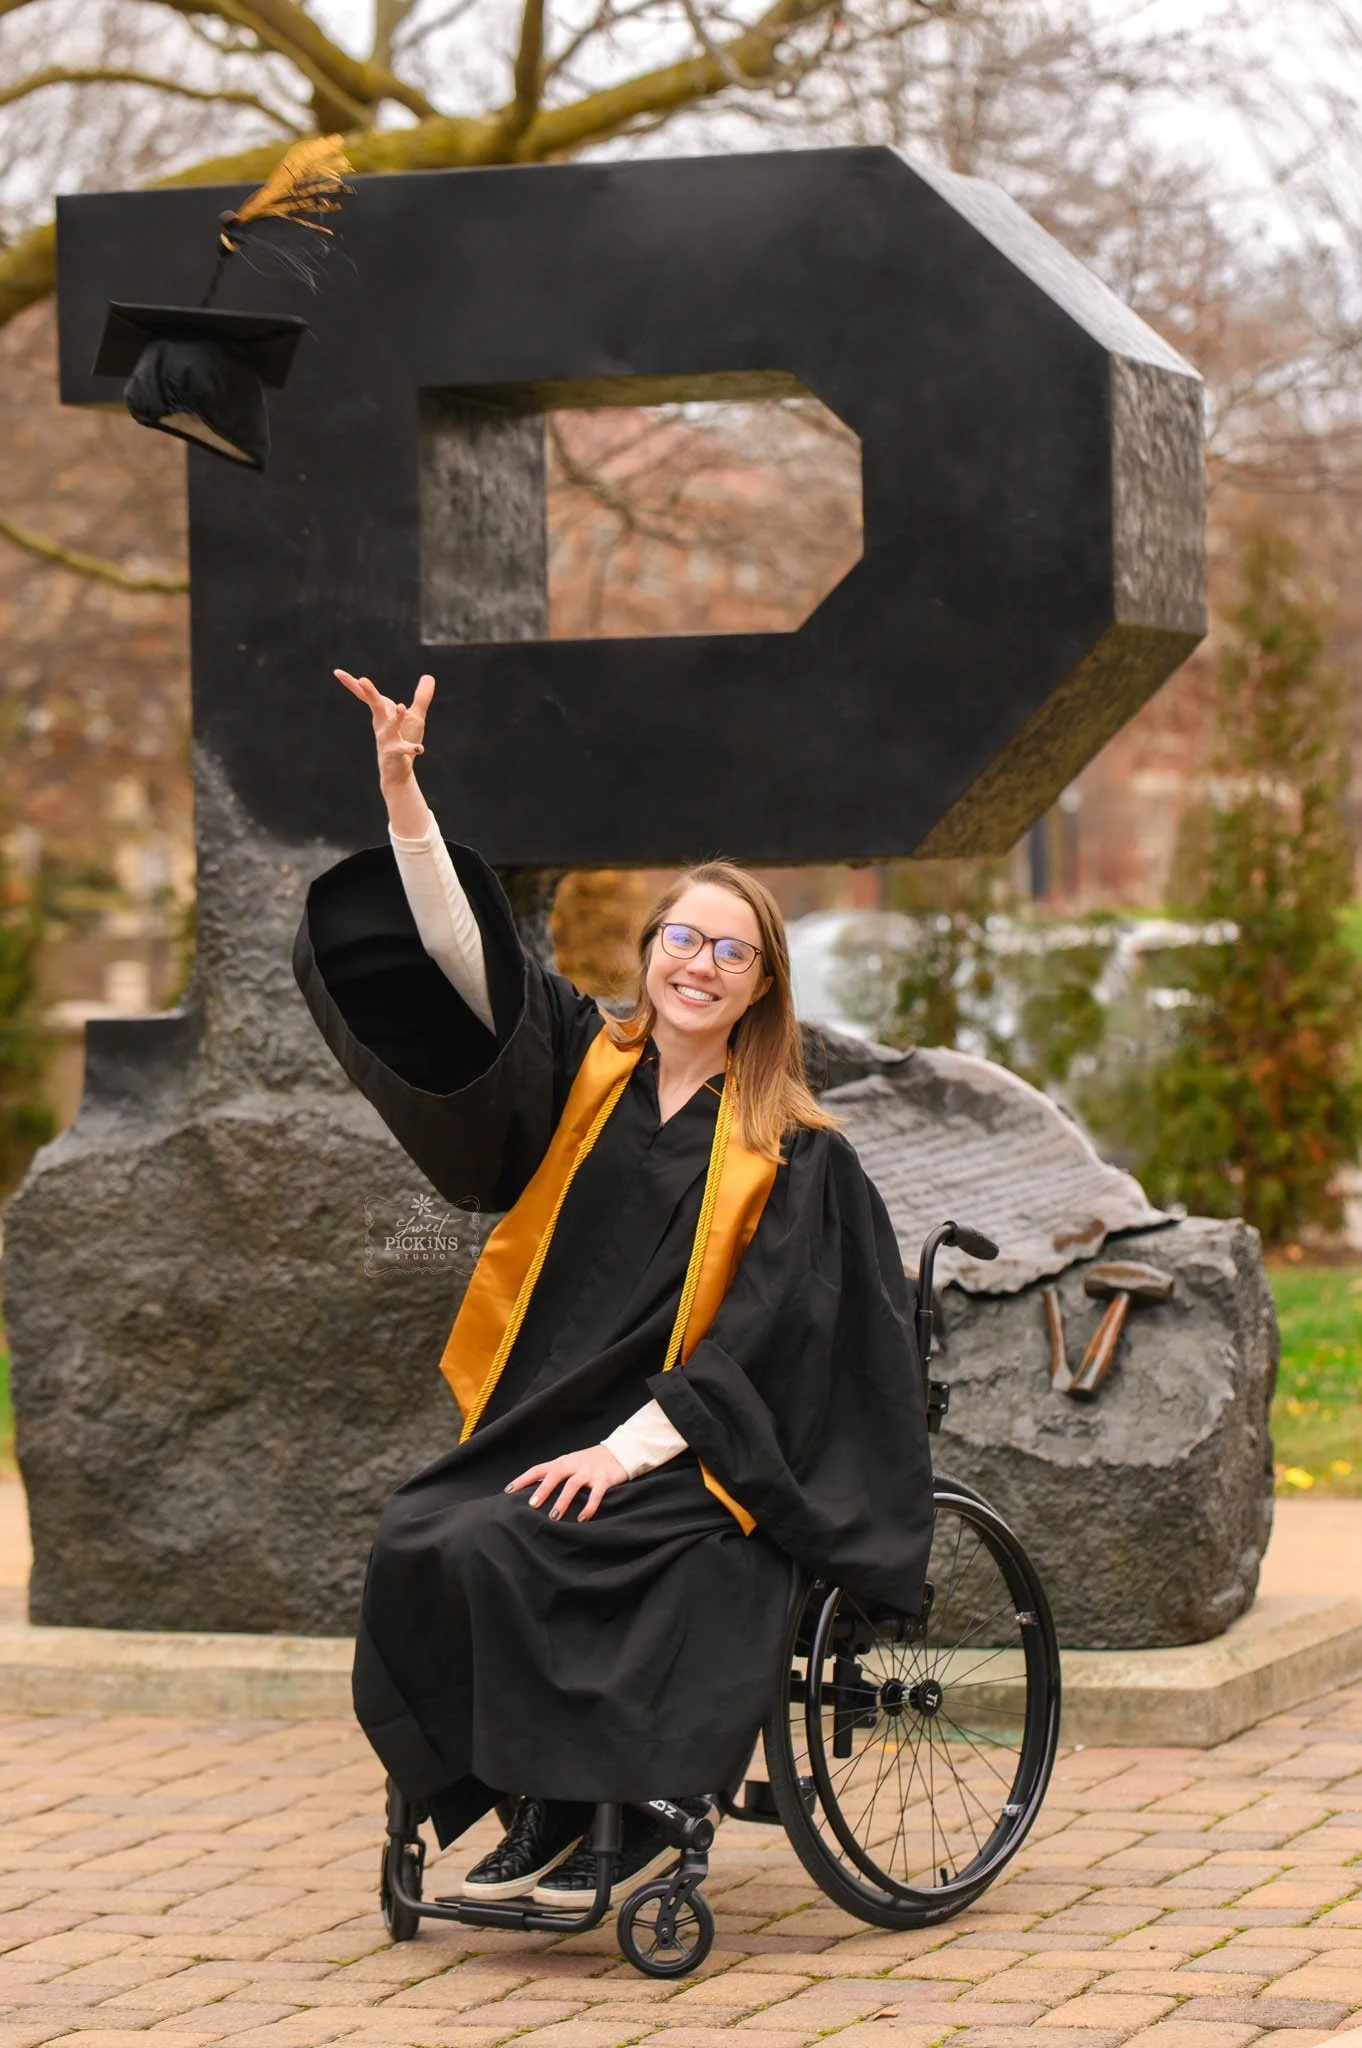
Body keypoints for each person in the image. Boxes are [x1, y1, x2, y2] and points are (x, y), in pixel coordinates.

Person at [291, 666, 936, 1908]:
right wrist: (403, 798)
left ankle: (621, 1816)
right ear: (651, 953)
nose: (699, 962)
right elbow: (469, 962)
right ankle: (530, 1807)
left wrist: (632, 1451)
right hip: (549, 1413)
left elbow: (770, 1342)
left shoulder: (799, 1153)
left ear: (760, 987)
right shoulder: (584, 1070)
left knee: (534, 1535)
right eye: (681, 936)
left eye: (729, 950)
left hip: (704, 1451)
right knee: (426, 1534)